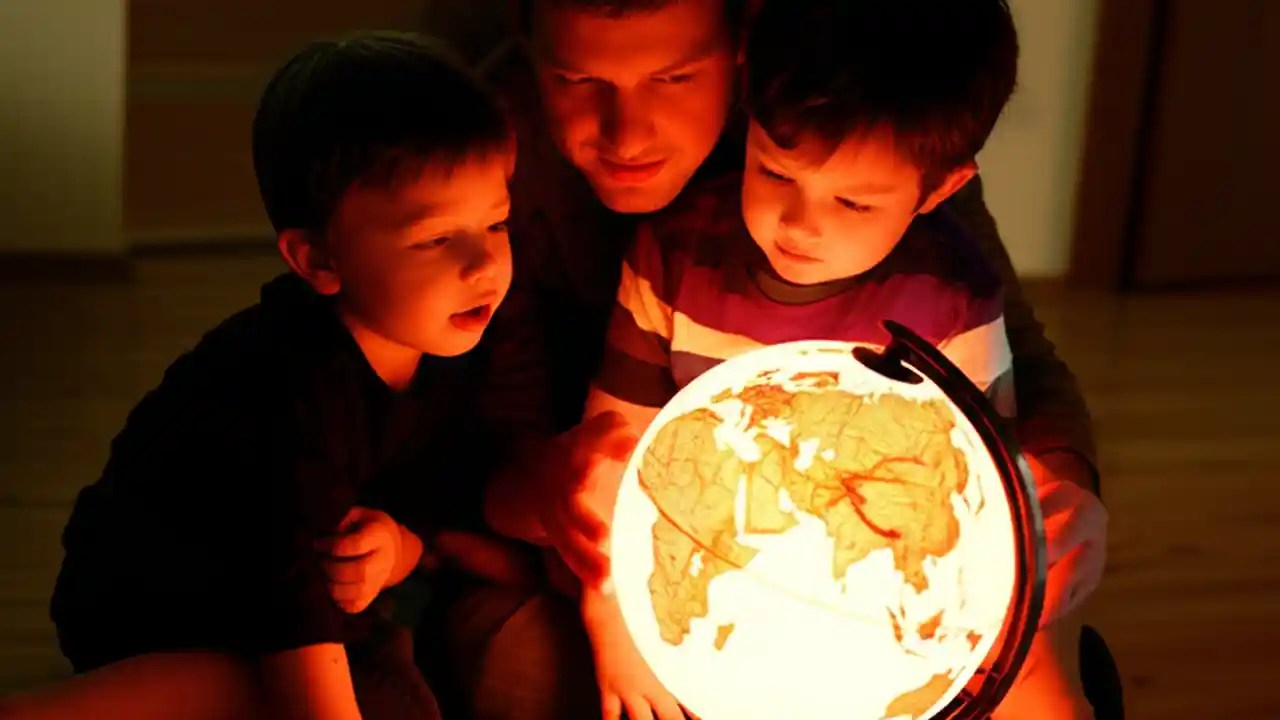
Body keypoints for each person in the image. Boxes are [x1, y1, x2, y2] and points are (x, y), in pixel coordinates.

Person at [573, 0, 1108, 717]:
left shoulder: (952, 303)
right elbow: (608, 470)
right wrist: (612, 616)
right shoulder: (672, 257)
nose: (801, 225)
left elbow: (974, 511)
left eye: (853, 204)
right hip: (720, 588)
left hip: (871, 598)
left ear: (943, 188)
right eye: (775, 173)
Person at [1, 31, 532, 720]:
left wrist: (399, 546)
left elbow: (434, 494)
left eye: (496, 224)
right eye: (436, 239)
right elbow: (291, 606)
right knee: (271, 687)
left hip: (301, 595)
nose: (484, 265)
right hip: (163, 602)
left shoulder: (459, 341)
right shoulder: (292, 388)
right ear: (317, 260)